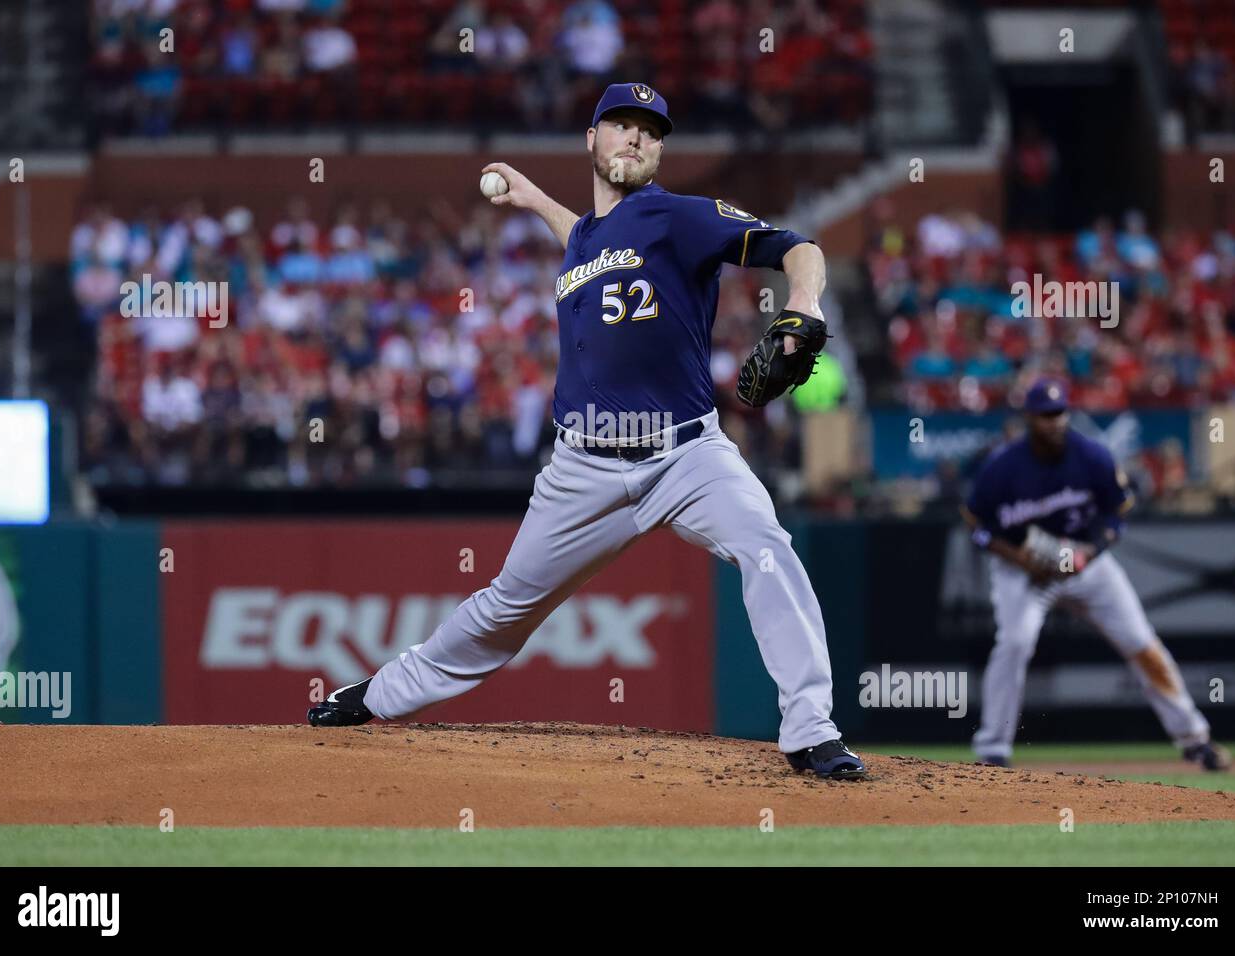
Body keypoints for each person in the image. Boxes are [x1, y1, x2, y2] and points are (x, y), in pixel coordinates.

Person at [308, 82, 865, 780]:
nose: (634, 138)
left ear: (660, 150)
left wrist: (804, 304)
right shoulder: (588, 240)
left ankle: (812, 732)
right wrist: (534, 199)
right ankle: (379, 695)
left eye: (649, 131)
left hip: (687, 457)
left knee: (767, 550)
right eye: (620, 125)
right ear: (592, 140)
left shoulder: (678, 217)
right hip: (582, 470)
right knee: (503, 609)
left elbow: (798, 246)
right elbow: (588, 242)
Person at [962, 377, 1230, 771]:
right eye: (1045, 415)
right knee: (1015, 643)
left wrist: (1091, 549)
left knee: (1141, 641)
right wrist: (1018, 558)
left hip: (1085, 565)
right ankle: (993, 748)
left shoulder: (1092, 456)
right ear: (1029, 418)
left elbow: (1117, 514)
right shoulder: (1003, 466)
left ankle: (1194, 738)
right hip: (1024, 571)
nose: (1053, 422)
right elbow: (975, 523)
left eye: (1059, 413)